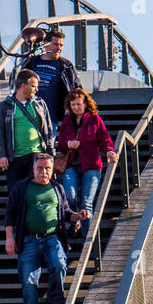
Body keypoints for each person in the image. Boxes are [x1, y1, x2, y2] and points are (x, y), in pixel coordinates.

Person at [4, 154, 88, 304]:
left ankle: (55, 301)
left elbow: (65, 211)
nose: (44, 171)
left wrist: (76, 216)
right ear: (33, 169)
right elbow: (10, 214)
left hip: (52, 238)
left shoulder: (57, 187)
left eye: (47, 168)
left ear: (52, 169)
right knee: (28, 282)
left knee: (59, 265)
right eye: (40, 168)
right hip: (28, 240)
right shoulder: (21, 187)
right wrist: (9, 239)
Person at [55, 89, 118, 240]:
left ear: (85, 104)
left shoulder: (94, 119)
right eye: (73, 105)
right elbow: (60, 145)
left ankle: (87, 241)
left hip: (91, 166)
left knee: (86, 204)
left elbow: (105, 139)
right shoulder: (66, 122)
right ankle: (75, 217)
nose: (76, 107)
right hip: (71, 165)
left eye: (79, 104)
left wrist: (109, 151)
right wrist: (68, 143)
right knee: (69, 197)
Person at [0, 70, 55, 189]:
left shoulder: (40, 104)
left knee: (35, 192)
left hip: (37, 155)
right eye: (33, 86)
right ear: (23, 86)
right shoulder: (5, 105)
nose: (36, 90)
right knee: (16, 193)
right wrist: (2, 155)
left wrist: (50, 153)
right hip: (15, 157)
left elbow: (48, 129)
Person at [19, 27, 82, 127]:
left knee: (47, 143)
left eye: (61, 45)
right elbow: (17, 83)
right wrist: (23, 61)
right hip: (28, 116)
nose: (59, 48)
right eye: (55, 44)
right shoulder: (32, 62)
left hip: (50, 118)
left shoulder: (66, 65)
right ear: (45, 44)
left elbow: (77, 89)